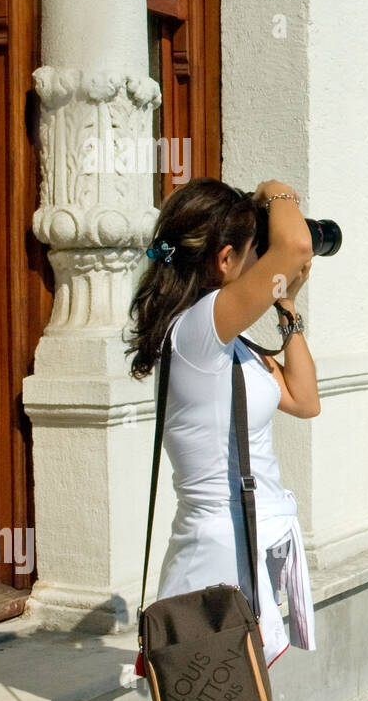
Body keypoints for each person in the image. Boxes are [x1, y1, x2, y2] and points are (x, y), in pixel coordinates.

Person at [126, 178, 319, 667]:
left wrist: (287, 304)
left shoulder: (227, 343)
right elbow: (296, 244)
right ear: (225, 259)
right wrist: (278, 193)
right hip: (213, 562)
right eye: (257, 252)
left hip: (244, 549)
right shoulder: (196, 330)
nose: (264, 266)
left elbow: (303, 398)